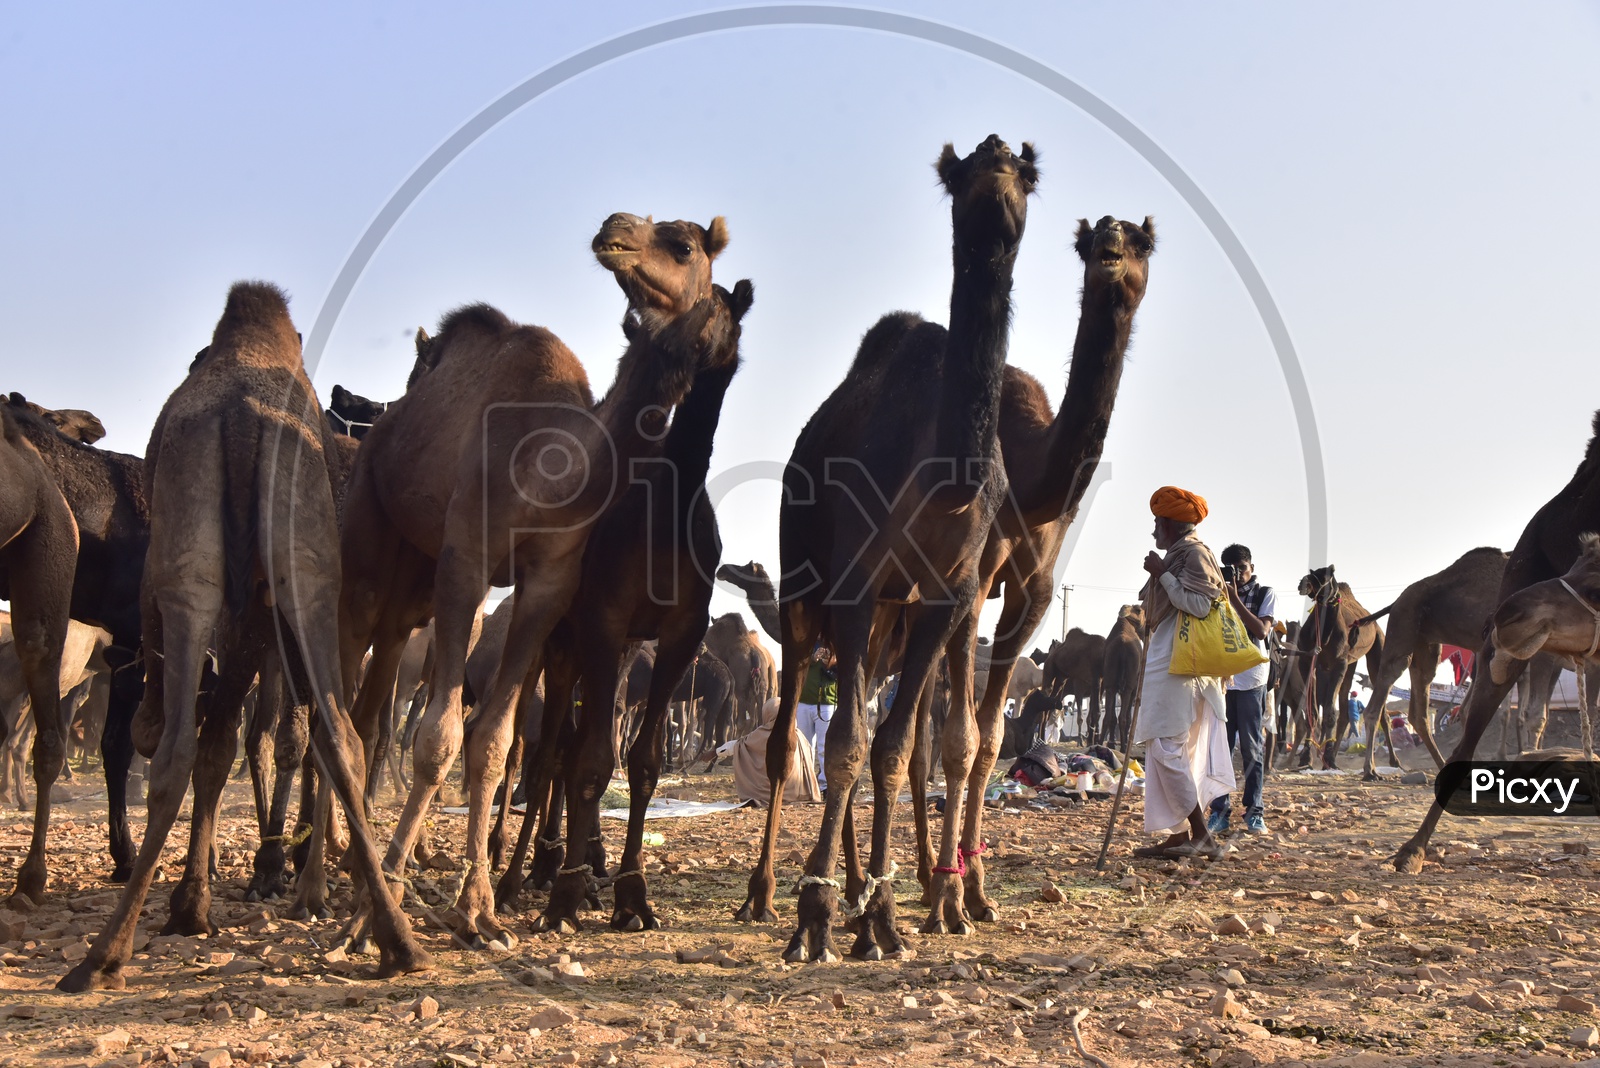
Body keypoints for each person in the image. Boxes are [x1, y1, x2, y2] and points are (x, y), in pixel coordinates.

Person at [1132, 486, 1236, 860]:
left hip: (1182, 664)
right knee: (1175, 747)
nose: (1154, 531)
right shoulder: (1182, 553)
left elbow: (1200, 604)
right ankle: (1179, 834)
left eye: (1157, 523)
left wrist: (1162, 575)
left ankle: (1200, 833)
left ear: (1172, 526)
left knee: (1164, 746)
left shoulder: (1193, 555)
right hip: (1171, 658)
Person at [1205, 544, 1281, 836]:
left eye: (1242, 569)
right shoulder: (1217, 593)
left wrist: (1234, 598)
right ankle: (1219, 812)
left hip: (1251, 680)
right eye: (1231, 571)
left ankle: (1254, 811)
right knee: (1220, 748)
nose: (1238, 575)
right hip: (1222, 679)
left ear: (1251, 567)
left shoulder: (1264, 594)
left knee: (1251, 747)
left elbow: (1262, 631)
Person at [796, 643, 838, 790]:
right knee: (804, 745)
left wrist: (830, 661)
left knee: (824, 746)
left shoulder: (836, 643)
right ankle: (806, 783)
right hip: (804, 702)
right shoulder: (806, 642)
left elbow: (843, 673)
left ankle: (825, 785)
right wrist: (812, 659)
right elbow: (797, 664)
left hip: (826, 702)